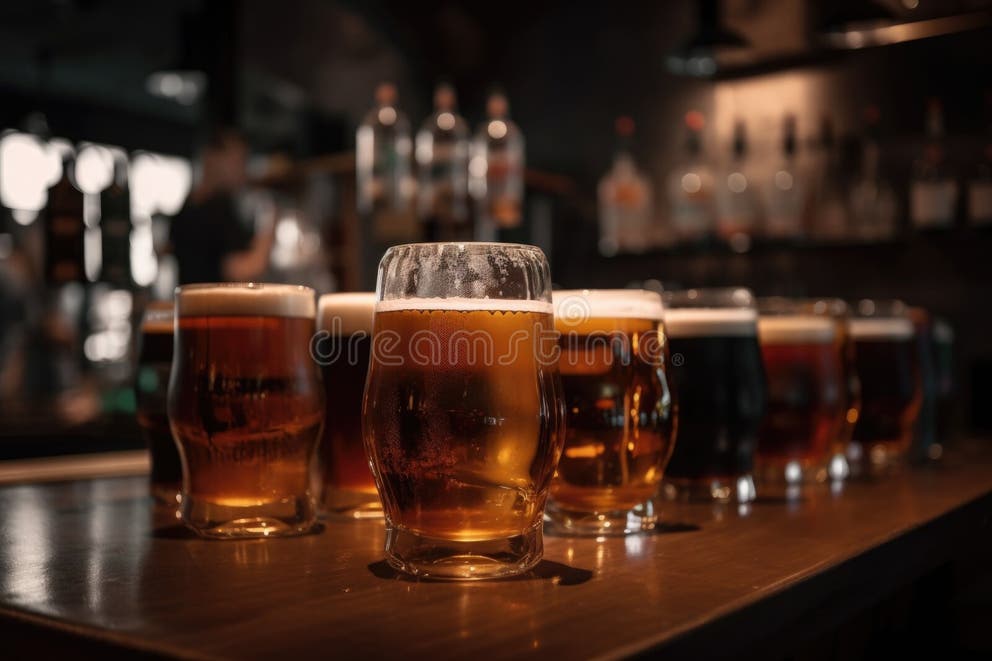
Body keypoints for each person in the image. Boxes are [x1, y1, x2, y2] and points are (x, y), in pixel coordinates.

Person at [169, 129, 274, 285]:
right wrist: (270, 218)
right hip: (211, 308)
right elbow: (245, 270)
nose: (243, 171)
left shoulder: (193, 207)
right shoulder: (206, 212)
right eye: (238, 161)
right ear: (211, 158)